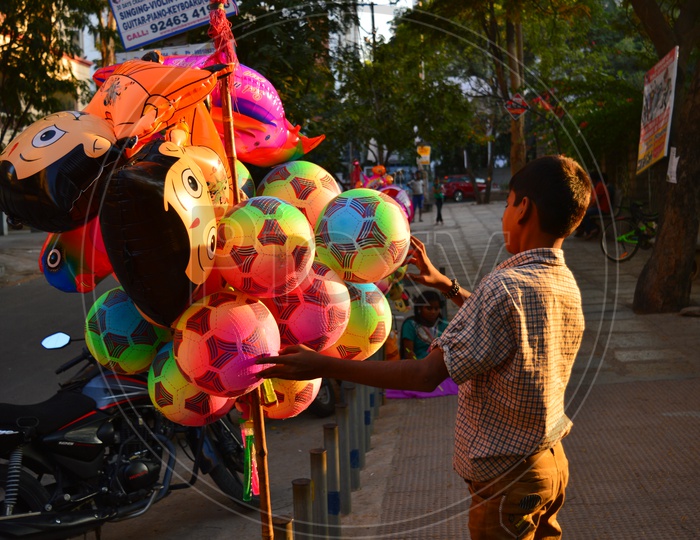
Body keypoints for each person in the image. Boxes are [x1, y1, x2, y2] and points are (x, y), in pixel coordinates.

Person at [259, 154, 591, 540]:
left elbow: (424, 375)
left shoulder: (505, 288)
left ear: (523, 210)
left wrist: (324, 365)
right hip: (550, 465)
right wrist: (446, 286)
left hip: (507, 483)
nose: (504, 215)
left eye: (506, 204)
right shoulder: (561, 281)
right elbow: (507, 326)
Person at [388, 289, 458, 398]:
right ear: (420, 308)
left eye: (436, 308)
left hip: (439, 368)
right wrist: (416, 363)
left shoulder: (443, 324)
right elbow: (408, 351)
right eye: (429, 308)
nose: (433, 312)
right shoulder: (410, 325)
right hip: (418, 366)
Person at [577, 171, 611, 239]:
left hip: (602, 209)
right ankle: (583, 229)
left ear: (593, 179)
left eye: (589, 178)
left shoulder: (600, 186)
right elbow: (591, 200)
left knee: (584, 213)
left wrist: (586, 208)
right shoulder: (595, 186)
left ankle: (592, 229)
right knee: (579, 211)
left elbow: (595, 202)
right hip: (598, 207)